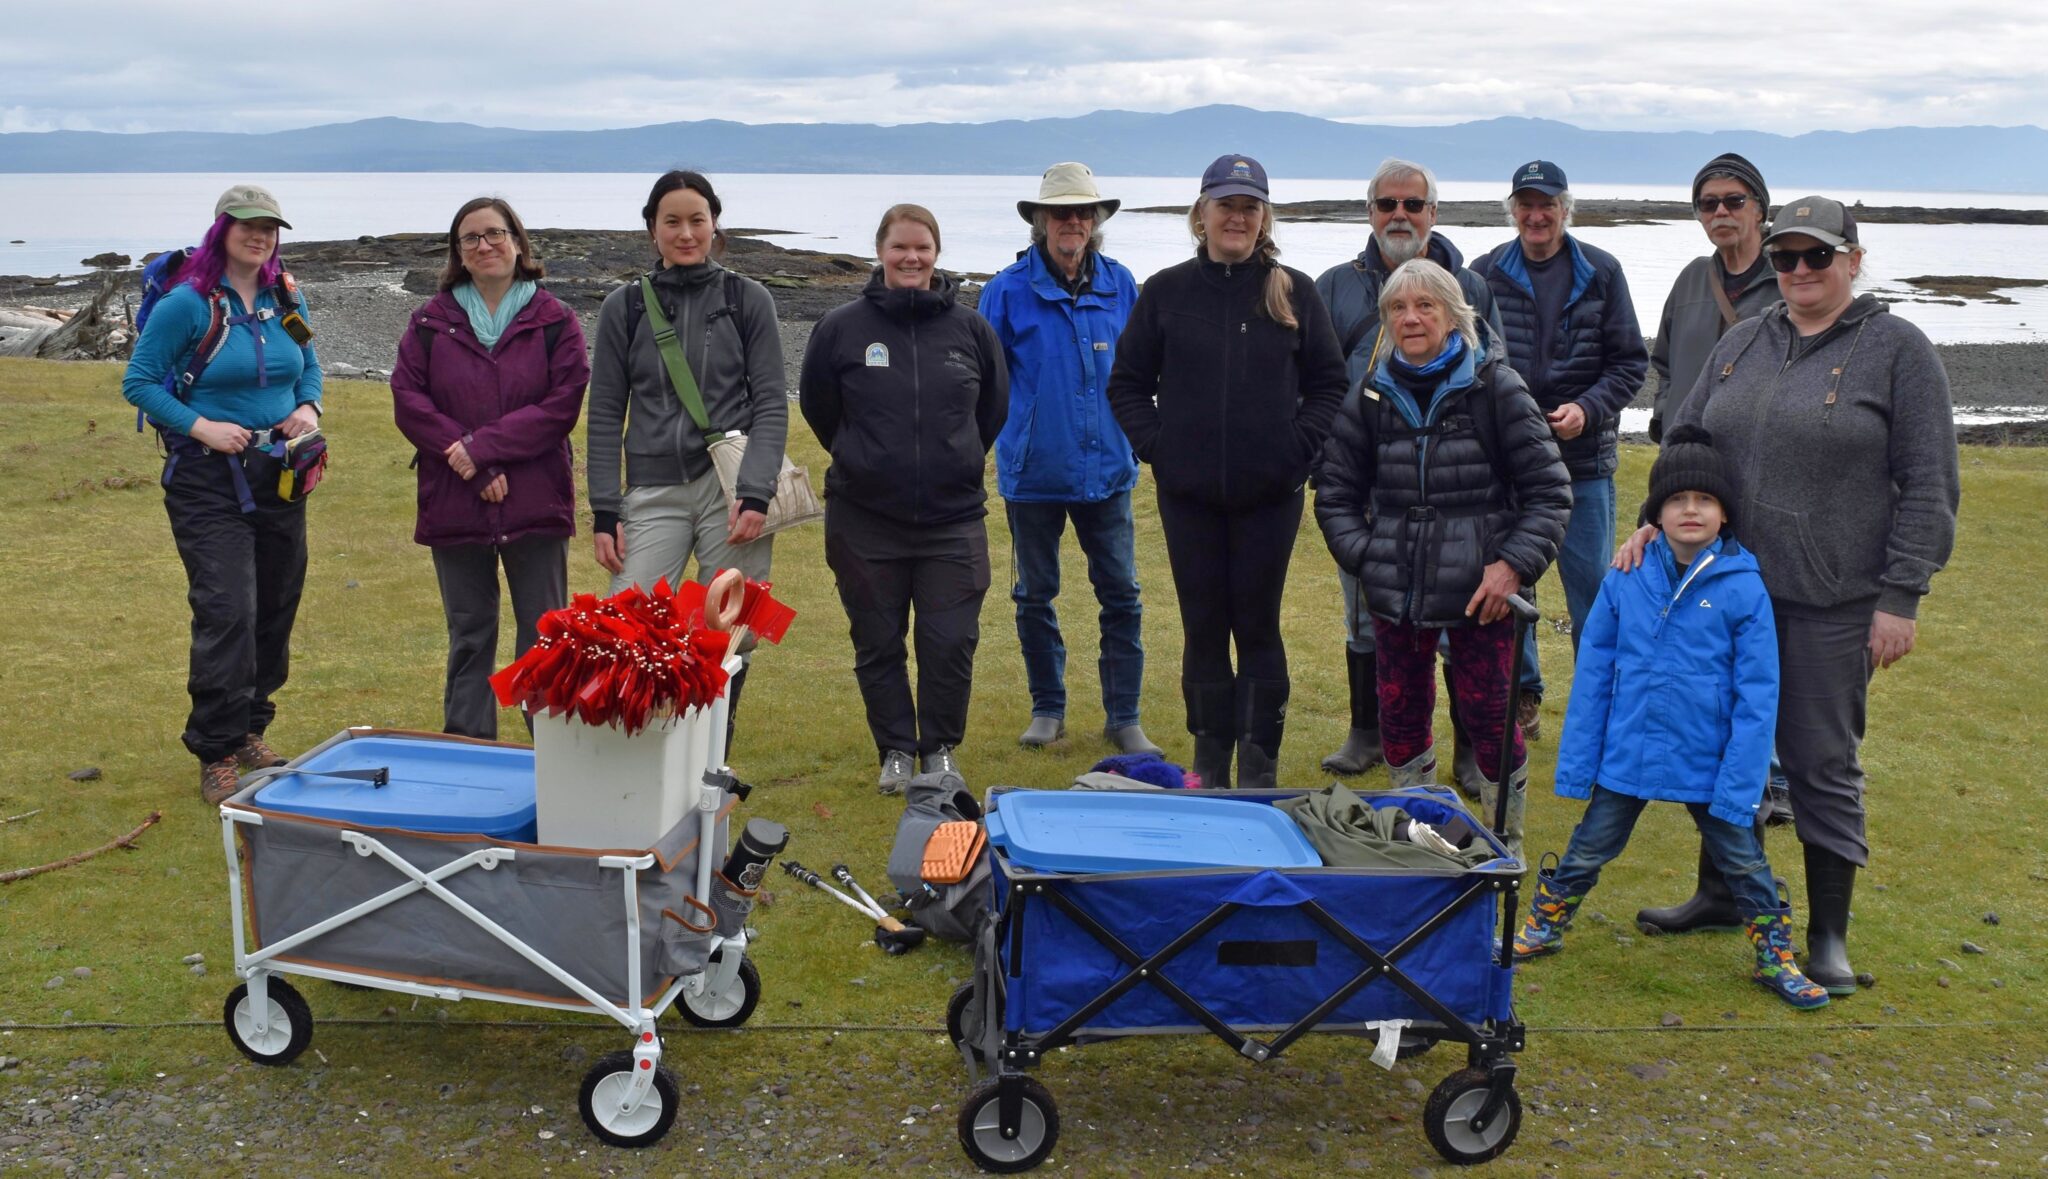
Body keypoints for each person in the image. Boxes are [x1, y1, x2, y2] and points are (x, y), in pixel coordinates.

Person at [1625, 197, 1960, 995]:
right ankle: (1720, 892)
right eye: (1786, 258)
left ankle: (1827, 936)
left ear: (1853, 257)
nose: (1801, 272)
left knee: (1819, 763)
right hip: (1728, 592)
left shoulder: (1899, 351)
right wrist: (1650, 520)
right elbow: (1687, 440)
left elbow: (1930, 483)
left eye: (1818, 256)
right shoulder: (1745, 342)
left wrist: (1901, 596)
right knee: (1719, 747)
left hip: (1834, 599)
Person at [1512, 427, 1829, 1010]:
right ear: (1655, 512)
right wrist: (1581, 764)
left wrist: (1742, 781)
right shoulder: (1624, 577)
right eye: (1678, 500)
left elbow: (1759, 695)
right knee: (1589, 846)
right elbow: (1595, 679)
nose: (1691, 510)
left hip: (1708, 761)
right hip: (1629, 753)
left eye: (1704, 500)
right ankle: (1547, 922)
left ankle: (1774, 955)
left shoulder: (1745, 588)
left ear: (1724, 512)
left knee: (1743, 860)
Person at [1315, 259, 1569, 858]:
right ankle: (1426, 846)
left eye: (1425, 306)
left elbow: (1550, 492)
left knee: (1490, 722)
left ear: (1455, 316)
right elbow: (1336, 493)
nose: (1411, 318)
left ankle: (1503, 850)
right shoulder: (1371, 394)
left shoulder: (1497, 388)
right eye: (1399, 309)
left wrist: (1511, 567)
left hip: (1484, 594)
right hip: (1396, 593)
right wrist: (1367, 555)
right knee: (1401, 720)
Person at [1107, 154, 1347, 789]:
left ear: (1264, 217)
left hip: (1271, 495)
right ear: (1202, 213)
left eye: (1249, 207)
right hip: (1190, 498)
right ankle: (1211, 758)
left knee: (1258, 622)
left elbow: (1328, 385)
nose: (1236, 217)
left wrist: (1295, 449)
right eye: (1225, 205)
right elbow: (1128, 384)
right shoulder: (1166, 291)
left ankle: (1259, 762)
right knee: (1204, 624)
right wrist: (1160, 447)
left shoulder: (1293, 289)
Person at [121, 184, 322, 804]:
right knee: (228, 607)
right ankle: (216, 750)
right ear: (222, 229)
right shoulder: (185, 304)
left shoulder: (286, 294)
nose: (259, 236)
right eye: (247, 226)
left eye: (269, 228)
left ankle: (250, 729)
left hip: (281, 473)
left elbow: (307, 364)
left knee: (276, 605)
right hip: (208, 480)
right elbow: (139, 382)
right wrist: (200, 424)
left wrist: (308, 406)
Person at [799, 204, 1008, 793]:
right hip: (865, 521)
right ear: (880, 253)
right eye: (899, 248)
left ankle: (939, 748)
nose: (911, 258)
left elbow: (992, 409)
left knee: (949, 642)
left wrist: (956, 458)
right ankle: (894, 749)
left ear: (937, 253)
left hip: (953, 520)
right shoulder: (843, 327)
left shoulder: (970, 330)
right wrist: (865, 459)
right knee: (877, 640)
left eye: (921, 247)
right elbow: (820, 407)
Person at [1314, 157, 1506, 794]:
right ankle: (1367, 733)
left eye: (1413, 205)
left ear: (1432, 214)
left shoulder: (1471, 286)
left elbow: (1493, 371)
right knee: (1369, 621)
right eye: (1387, 203)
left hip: (1457, 496)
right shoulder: (1336, 286)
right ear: (1370, 212)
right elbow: (1311, 382)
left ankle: (1471, 752)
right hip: (1371, 491)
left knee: (1460, 630)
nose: (1400, 214)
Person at [585, 170, 788, 745]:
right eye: (671, 221)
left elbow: (772, 402)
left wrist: (756, 492)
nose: (685, 232)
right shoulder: (622, 307)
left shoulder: (749, 300)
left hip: (733, 491)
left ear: (714, 223)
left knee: (729, 630)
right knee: (627, 625)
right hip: (652, 490)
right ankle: (640, 747)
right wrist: (605, 509)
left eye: (697, 219)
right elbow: (604, 412)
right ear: (652, 230)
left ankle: (711, 753)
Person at [391, 197, 589, 739]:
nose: (485, 246)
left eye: (494, 233)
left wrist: (483, 449)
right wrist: (471, 463)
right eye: (470, 238)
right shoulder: (431, 321)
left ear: (518, 241)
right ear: (458, 252)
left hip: (536, 498)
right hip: (455, 500)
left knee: (543, 635)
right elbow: (409, 400)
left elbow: (562, 405)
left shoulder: (555, 320)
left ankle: (552, 751)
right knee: (471, 633)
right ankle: (466, 749)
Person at [978, 162, 1157, 755]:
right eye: (1061, 212)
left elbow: (1142, 373)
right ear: (1041, 221)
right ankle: (1047, 708)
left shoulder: (1122, 284)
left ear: (1096, 220)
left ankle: (1123, 716)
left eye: (1082, 212)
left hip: (1109, 472)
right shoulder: (1004, 291)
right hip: (1033, 474)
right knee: (1034, 595)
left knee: (1122, 595)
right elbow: (983, 382)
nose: (1072, 222)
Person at [1472, 160, 1648, 743]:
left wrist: (1588, 410)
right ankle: (1523, 696)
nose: (1536, 214)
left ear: (1565, 209)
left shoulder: (1602, 270)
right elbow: (1470, 360)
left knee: (1592, 593)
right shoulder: (1485, 272)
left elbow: (1629, 363)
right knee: (1511, 586)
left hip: (1584, 466)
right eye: (1525, 203)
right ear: (1513, 209)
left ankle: (1598, 711)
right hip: (1509, 464)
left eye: (1547, 203)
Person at [1649, 153, 1777, 439]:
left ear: (1759, 210)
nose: (1720, 212)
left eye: (1734, 201)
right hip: (1686, 454)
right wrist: (1666, 417)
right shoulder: (1691, 278)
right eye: (1708, 204)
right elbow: (1664, 364)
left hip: (1758, 457)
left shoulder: (1788, 281)